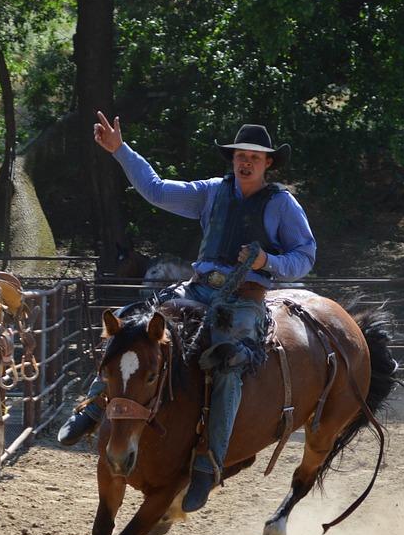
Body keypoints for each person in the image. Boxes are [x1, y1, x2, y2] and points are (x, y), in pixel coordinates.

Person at [58, 112, 317, 513]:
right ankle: (93, 406)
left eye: (254, 156)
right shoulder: (213, 191)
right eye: (239, 155)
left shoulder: (282, 205)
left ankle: (207, 465)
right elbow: (157, 189)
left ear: (268, 163)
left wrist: (268, 260)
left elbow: (305, 256)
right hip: (197, 290)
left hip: (244, 297)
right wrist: (120, 151)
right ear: (232, 160)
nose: (245, 162)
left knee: (229, 364)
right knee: (131, 328)